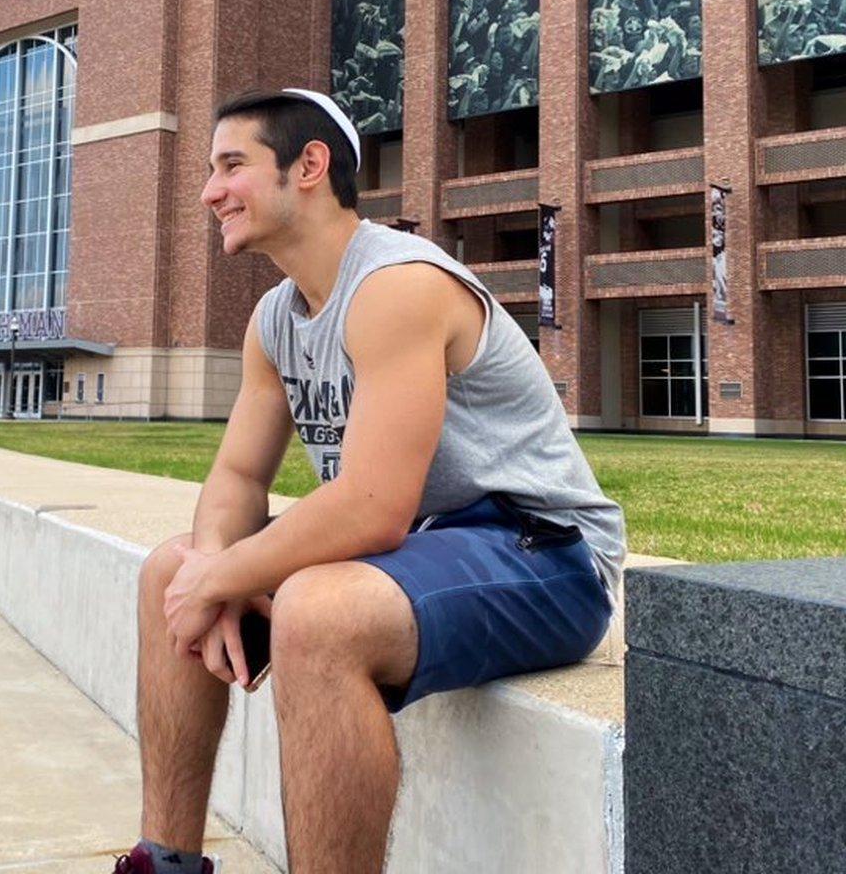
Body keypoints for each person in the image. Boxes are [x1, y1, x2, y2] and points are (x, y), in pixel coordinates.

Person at [115, 89, 626, 874]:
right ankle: (166, 861)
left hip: (546, 553)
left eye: (232, 166)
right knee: (168, 574)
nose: (211, 191)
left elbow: (373, 507)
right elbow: (239, 476)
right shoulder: (276, 318)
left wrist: (226, 572)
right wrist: (212, 570)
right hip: (429, 552)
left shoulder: (397, 285)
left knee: (316, 614)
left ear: (308, 166)